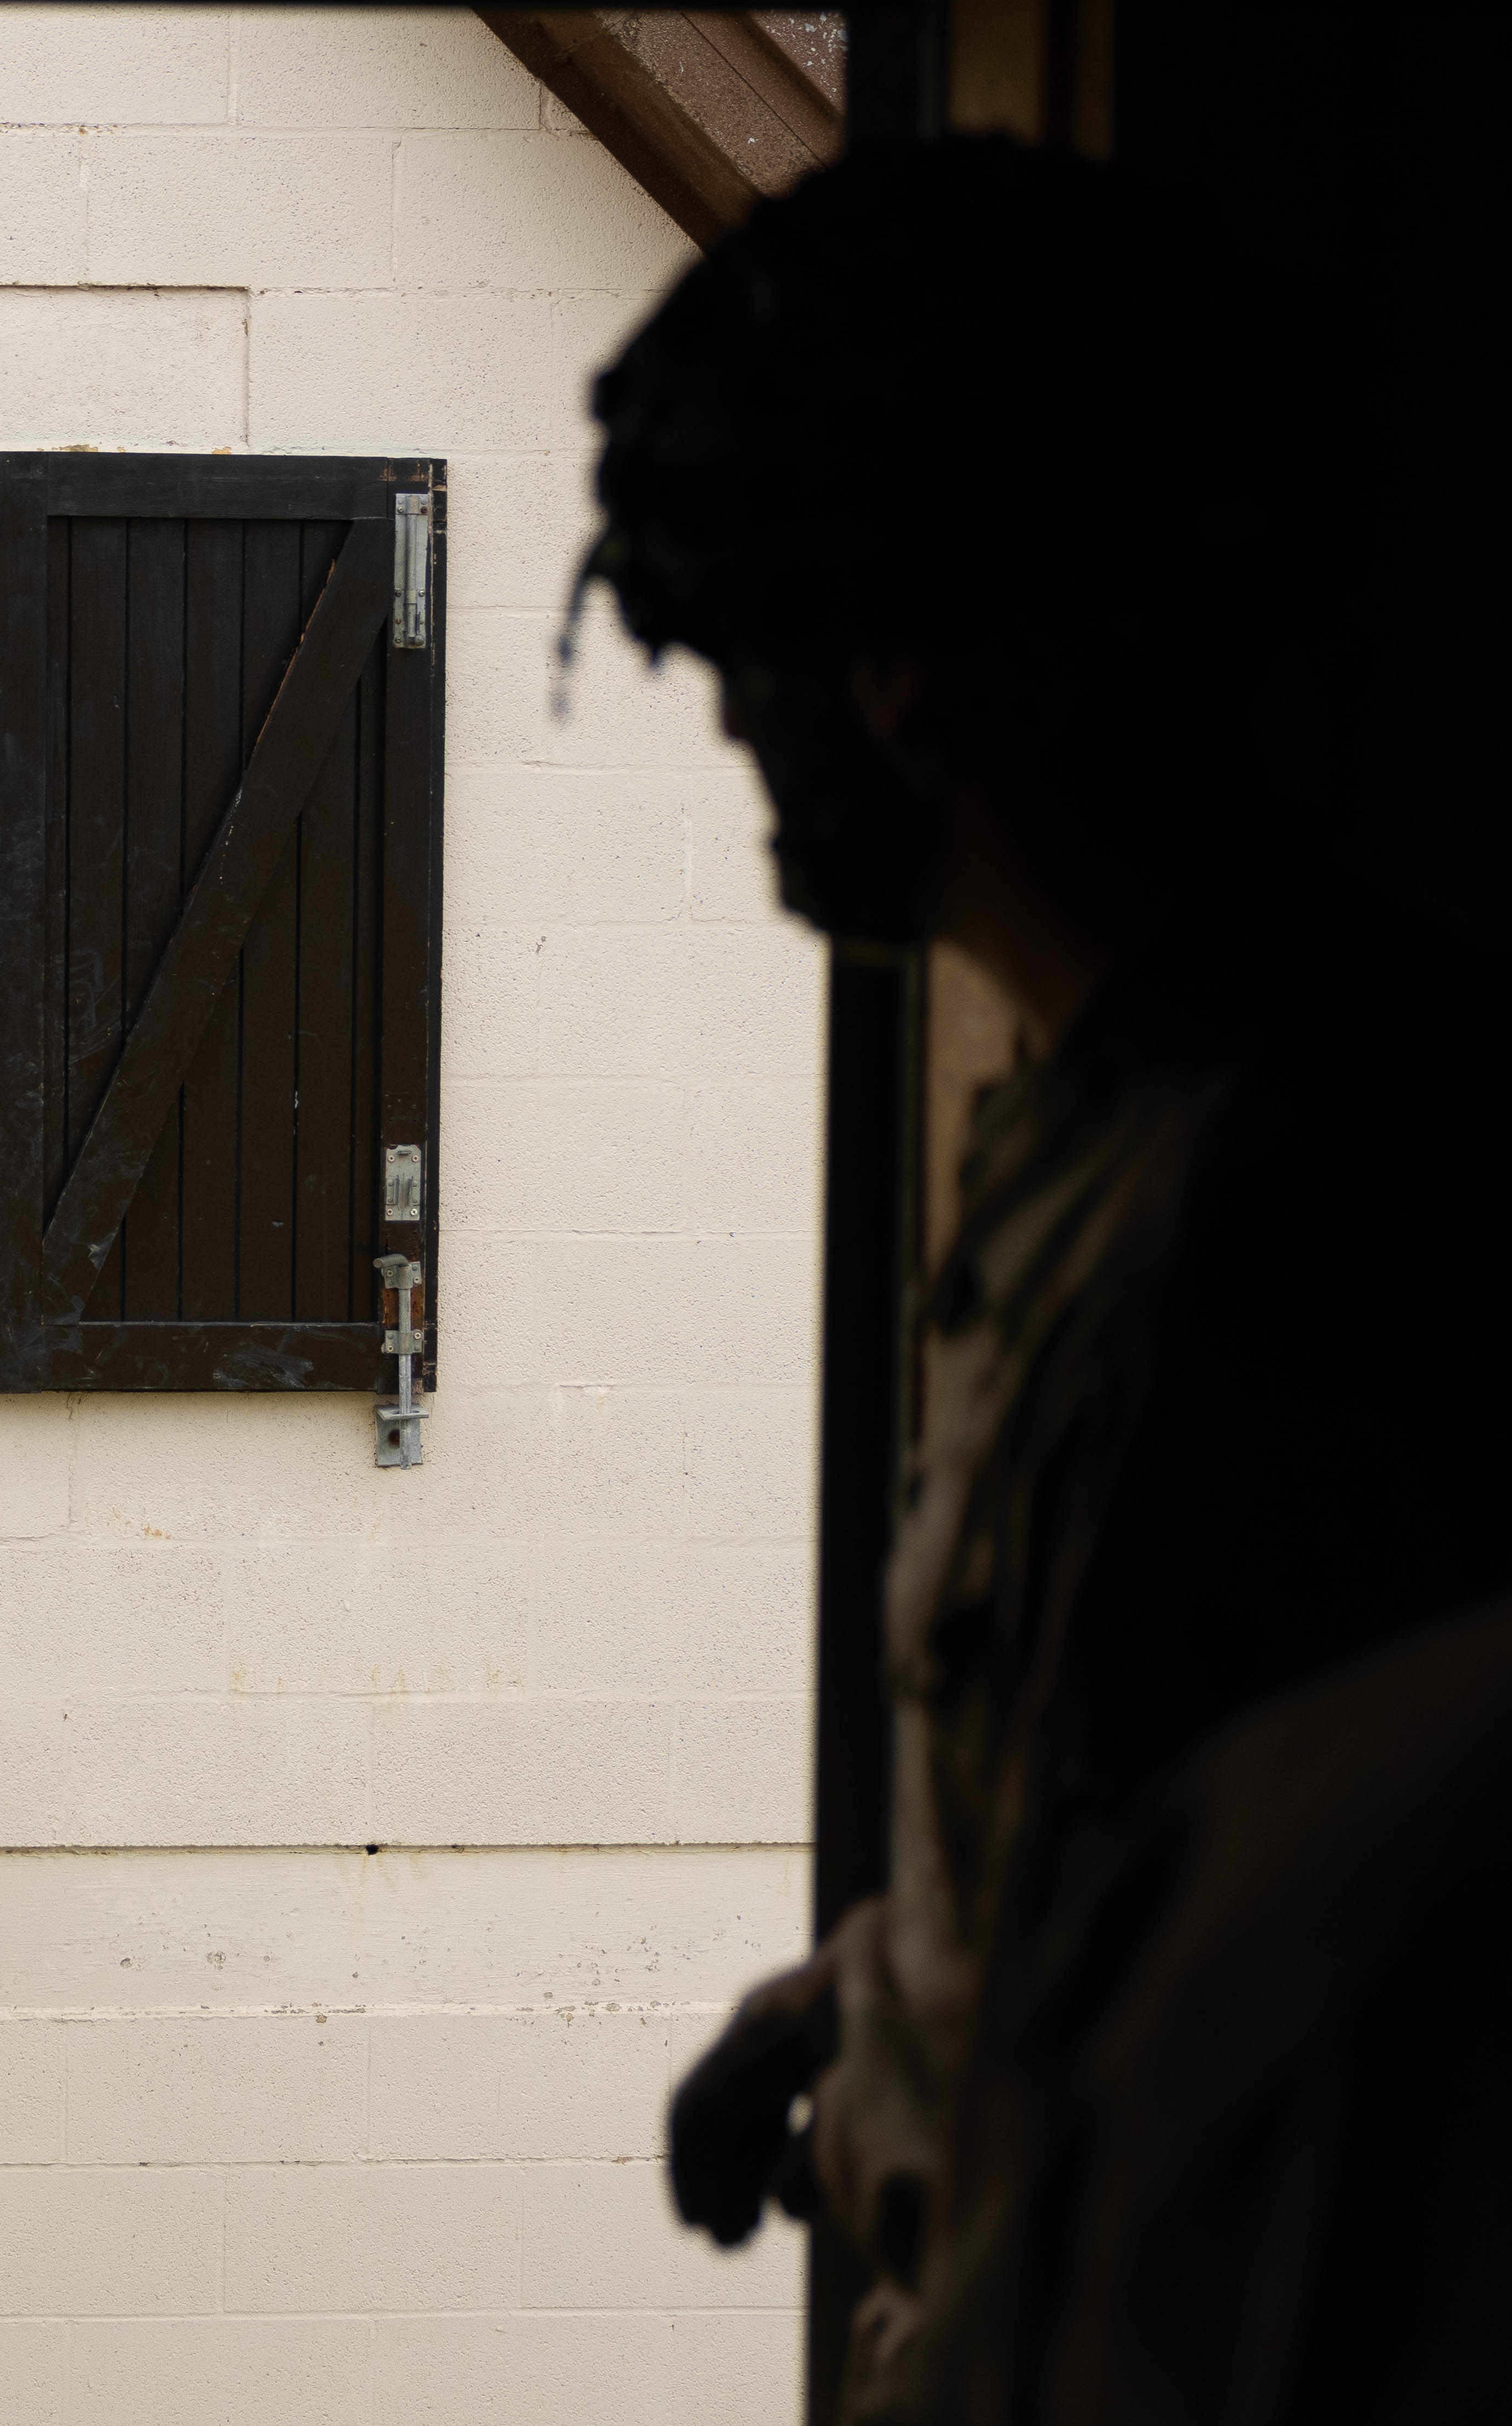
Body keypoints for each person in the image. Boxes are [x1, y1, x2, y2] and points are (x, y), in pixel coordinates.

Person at [596, 141, 1504, 2421]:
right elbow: (1140, 1847)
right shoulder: (1095, 1145)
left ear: (912, 660)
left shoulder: (1317, 1220)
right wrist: (863, 2004)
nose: (733, 734)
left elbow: (1311, 2014)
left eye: (754, 655)